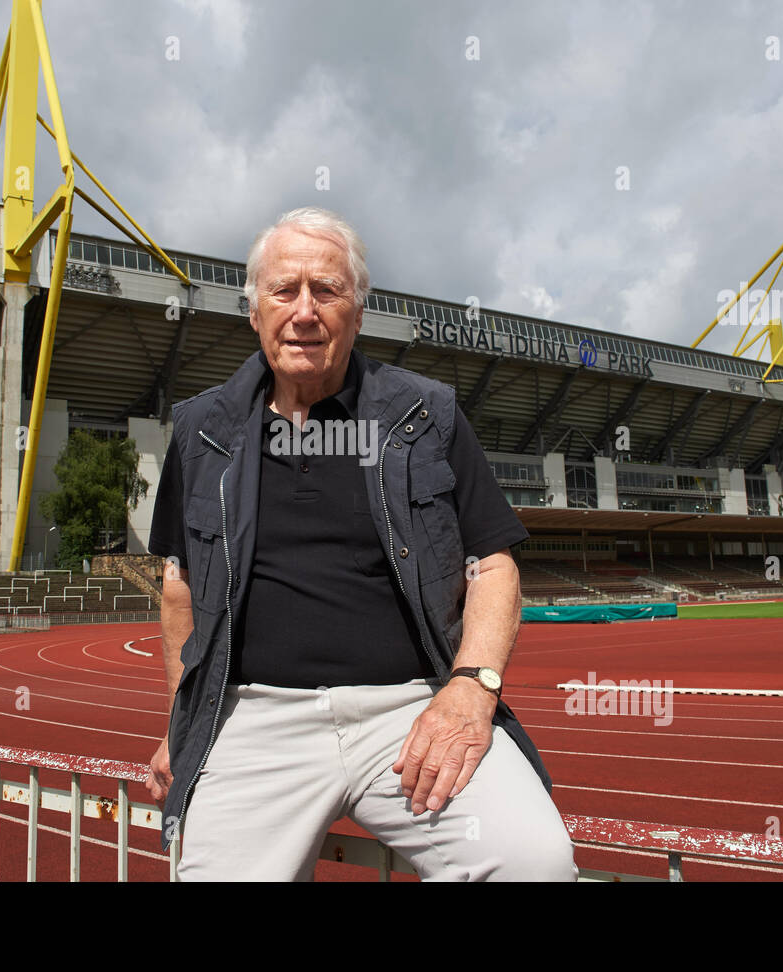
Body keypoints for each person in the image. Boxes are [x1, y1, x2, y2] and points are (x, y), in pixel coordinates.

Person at [145, 207, 576, 881]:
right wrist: (185, 719)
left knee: (533, 863)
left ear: (359, 311)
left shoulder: (425, 414)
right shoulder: (204, 428)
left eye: (328, 290)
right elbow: (179, 584)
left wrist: (472, 687)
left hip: (409, 709)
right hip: (255, 719)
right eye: (284, 290)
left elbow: (491, 564)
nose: (305, 310)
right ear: (254, 311)